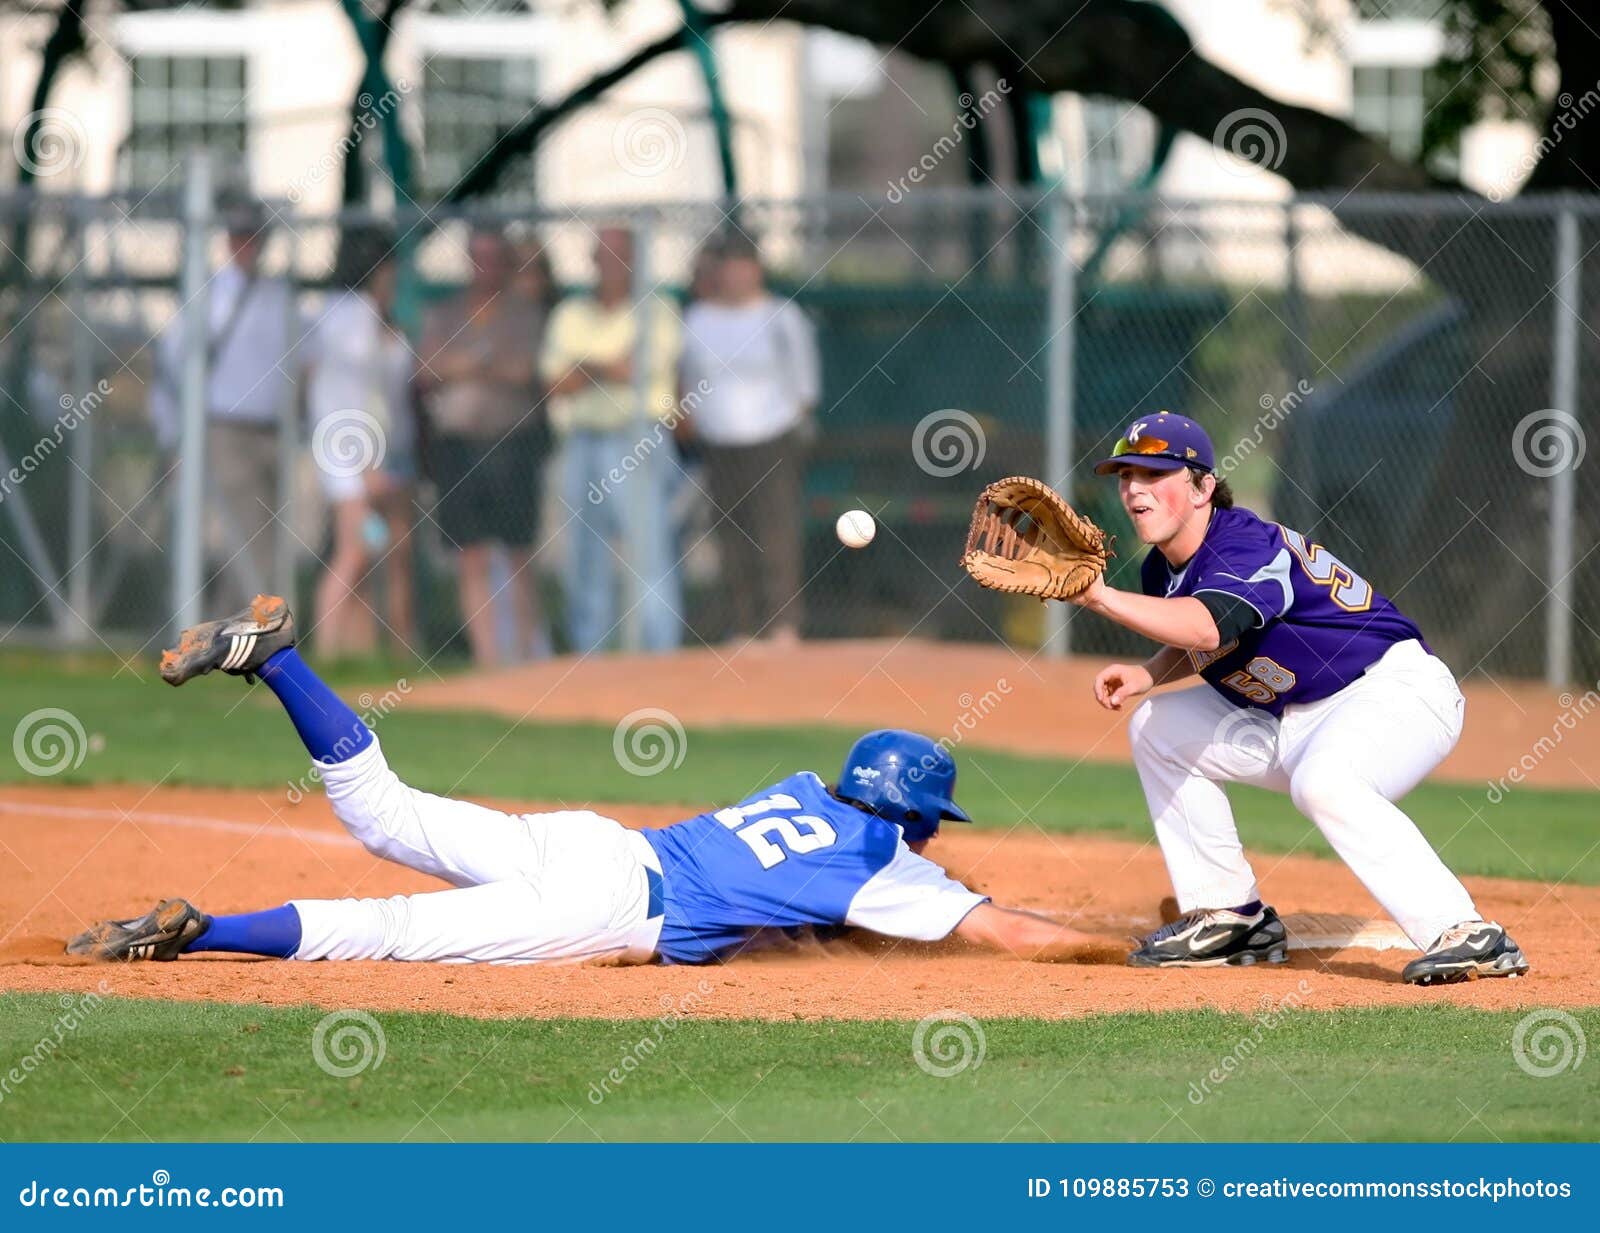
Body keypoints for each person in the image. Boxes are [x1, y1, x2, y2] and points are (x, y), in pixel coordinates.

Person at [67, 596, 1114, 968]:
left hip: (595, 842)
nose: (929, 844)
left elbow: (798, 904)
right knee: (385, 928)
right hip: (608, 903)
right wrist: (1122, 953)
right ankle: (201, 932)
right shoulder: (884, 867)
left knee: (381, 813)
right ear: (913, 819)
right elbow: (1006, 933)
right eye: (929, 826)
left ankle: (279, 659)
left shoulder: (803, 788)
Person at [1074, 412, 1528, 986]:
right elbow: (1213, 636)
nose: (1134, 487)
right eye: (1125, 474)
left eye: (1155, 472)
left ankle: (1467, 933)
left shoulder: (1244, 544)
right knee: (1157, 727)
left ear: (1202, 487)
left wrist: (1098, 598)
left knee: (1326, 783)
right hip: (1291, 716)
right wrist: (1149, 673)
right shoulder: (1160, 570)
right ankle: (1231, 919)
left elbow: (1212, 626)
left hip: (1392, 692)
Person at [541, 227, 683, 653]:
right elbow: (556, 383)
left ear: (635, 261)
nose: (611, 264)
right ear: (592, 261)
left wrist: (584, 367)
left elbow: (636, 371)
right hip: (582, 441)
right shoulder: (570, 314)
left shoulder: (658, 309)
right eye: (603, 255)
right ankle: (591, 658)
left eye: (621, 255)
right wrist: (605, 366)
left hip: (637, 439)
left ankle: (659, 655)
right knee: (585, 556)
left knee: (648, 551)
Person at [150, 199, 296, 610]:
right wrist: (172, 435)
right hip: (225, 430)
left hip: (273, 431)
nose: (248, 244)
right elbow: (171, 367)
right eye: (241, 235)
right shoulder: (209, 296)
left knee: (263, 539)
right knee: (249, 538)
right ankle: (239, 632)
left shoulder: (278, 295)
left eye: (255, 236)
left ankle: (234, 634)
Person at [417, 227, 549, 667]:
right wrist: (481, 362)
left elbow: (522, 370)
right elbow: (426, 369)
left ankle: (527, 655)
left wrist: (463, 365)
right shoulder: (446, 311)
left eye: (494, 258)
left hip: (511, 445)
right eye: (478, 257)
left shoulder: (524, 313)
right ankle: (488, 658)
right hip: (457, 447)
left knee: (517, 552)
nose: (485, 266)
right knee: (469, 553)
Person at [678, 235, 819, 647]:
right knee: (730, 534)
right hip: (718, 443)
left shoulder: (781, 316)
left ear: (757, 270)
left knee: (776, 531)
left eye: (745, 266)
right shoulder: (698, 319)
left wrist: (788, 425)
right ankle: (742, 627)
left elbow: (804, 385)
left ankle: (783, 624)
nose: (737, 276)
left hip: (772, 439)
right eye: (729, 268)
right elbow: (683, 379)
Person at [302, 225, 418, 657]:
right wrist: (367, 465)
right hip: (354, 457)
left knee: (376, 552)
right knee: (354, 552)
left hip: (381, 454)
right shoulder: (352, 318)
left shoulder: (361, 317)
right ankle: (328, 653)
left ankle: (363, 653)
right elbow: (355, 396)